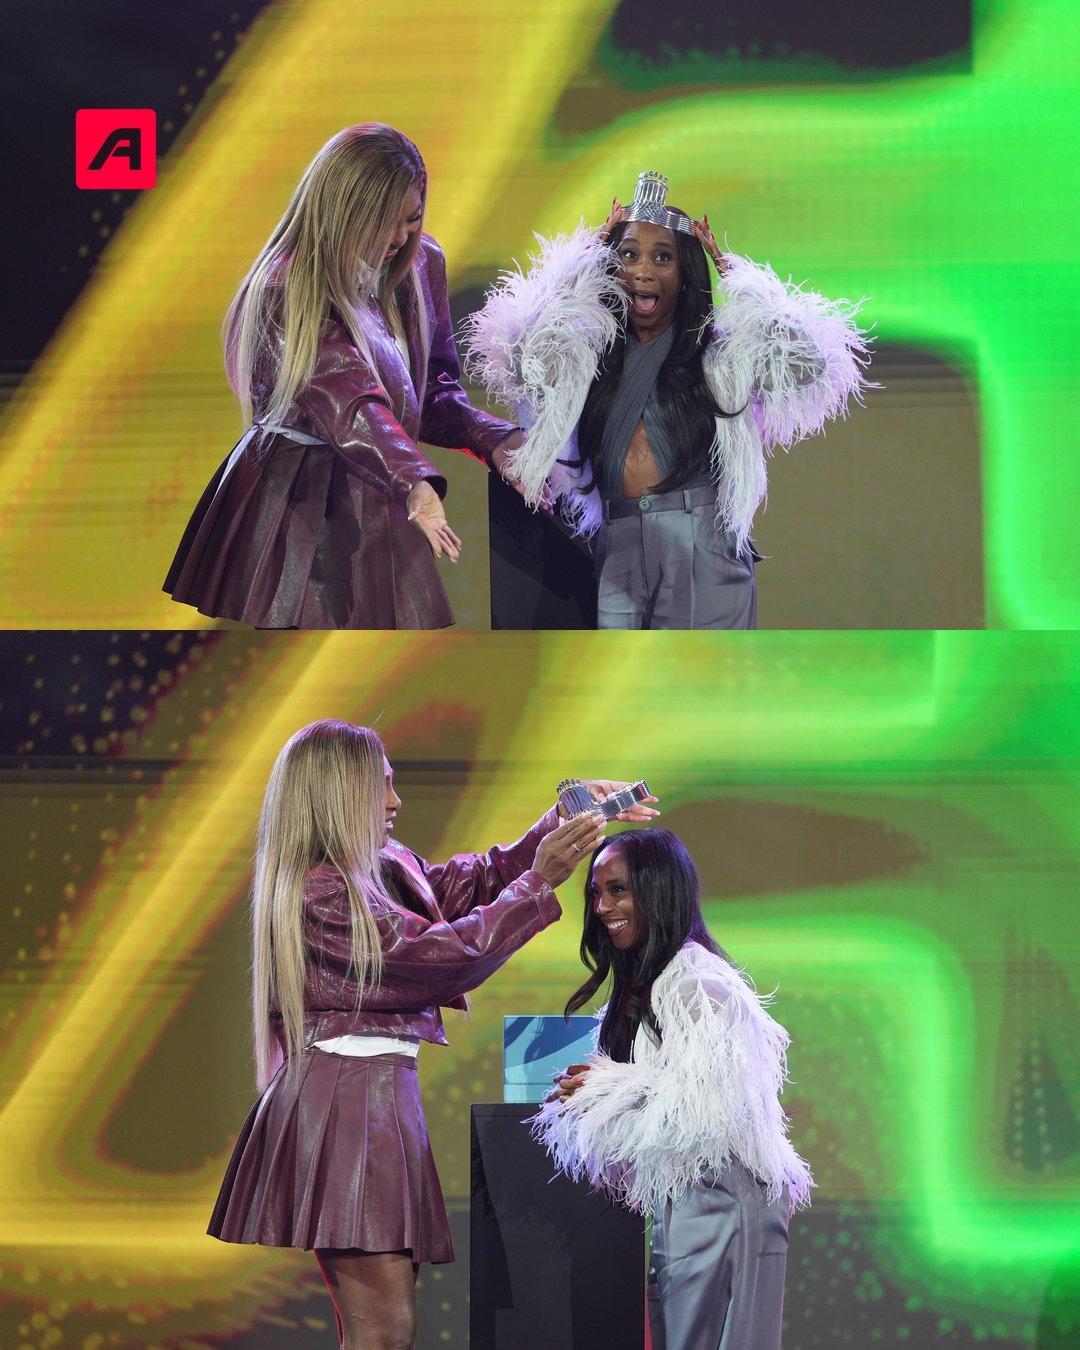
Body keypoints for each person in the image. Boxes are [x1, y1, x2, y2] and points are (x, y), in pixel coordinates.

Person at [207, 719, 659, 1350]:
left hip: (375, 1096)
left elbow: (460, 887)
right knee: (383, 1332)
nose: (395, 802)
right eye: (380, 787)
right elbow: (433, 958)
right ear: (336, 794)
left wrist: (556, 826)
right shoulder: (322, 891)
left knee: (386, 1329)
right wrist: (538, 883)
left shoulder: (377, 866)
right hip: (349, 1101)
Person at [465, 170, 873, 629]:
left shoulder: (718, 356)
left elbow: (807, 364)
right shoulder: (589, 359)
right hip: (618, 546)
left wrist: (736, 277)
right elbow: (521, 361)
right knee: (630, 679)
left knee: (699, 675)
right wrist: (582, 263)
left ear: (685, 273)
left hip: (700, 543)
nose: (642, 270)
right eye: (628, 254)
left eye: (662, 257)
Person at [165, 123, 525, 629]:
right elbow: (351, 403)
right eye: (384, 222)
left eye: (412, 218)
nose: (399, 238)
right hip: (303, 500)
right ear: (344, 211)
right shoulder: (287, 287)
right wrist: (414, 481)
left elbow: (429, 397)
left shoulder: (421, 263)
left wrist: (497, 439)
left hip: (384, 481)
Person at [532, 828, 812, 1350]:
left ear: (658, 890)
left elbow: (708, 1107)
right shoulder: (650, 984)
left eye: (618, 890)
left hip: (727, 1200)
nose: (602, 907)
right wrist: (588, 1094)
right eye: (596, 893)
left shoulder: (697, 984)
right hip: (688, 1201)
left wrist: (608, 1085)